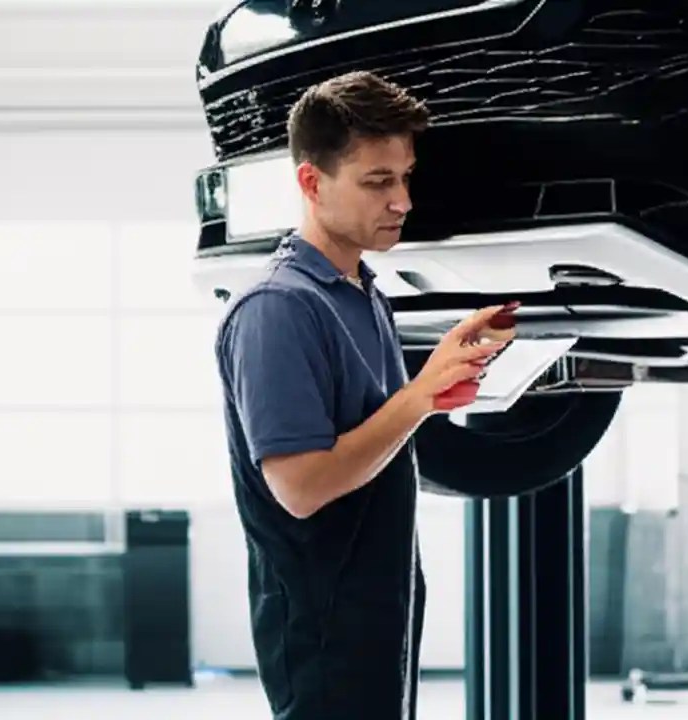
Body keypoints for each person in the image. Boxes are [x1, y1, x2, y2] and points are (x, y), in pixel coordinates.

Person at [214, 70, 518, 719]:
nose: (401, 200)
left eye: (405, 178)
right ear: (311, 181)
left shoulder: (362, 294)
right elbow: (300, 488)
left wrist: (437, 381)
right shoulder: (278, 310)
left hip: (378, 619)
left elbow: (376, 433)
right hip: (325, 636)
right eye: (378, 182)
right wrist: (418, 396)